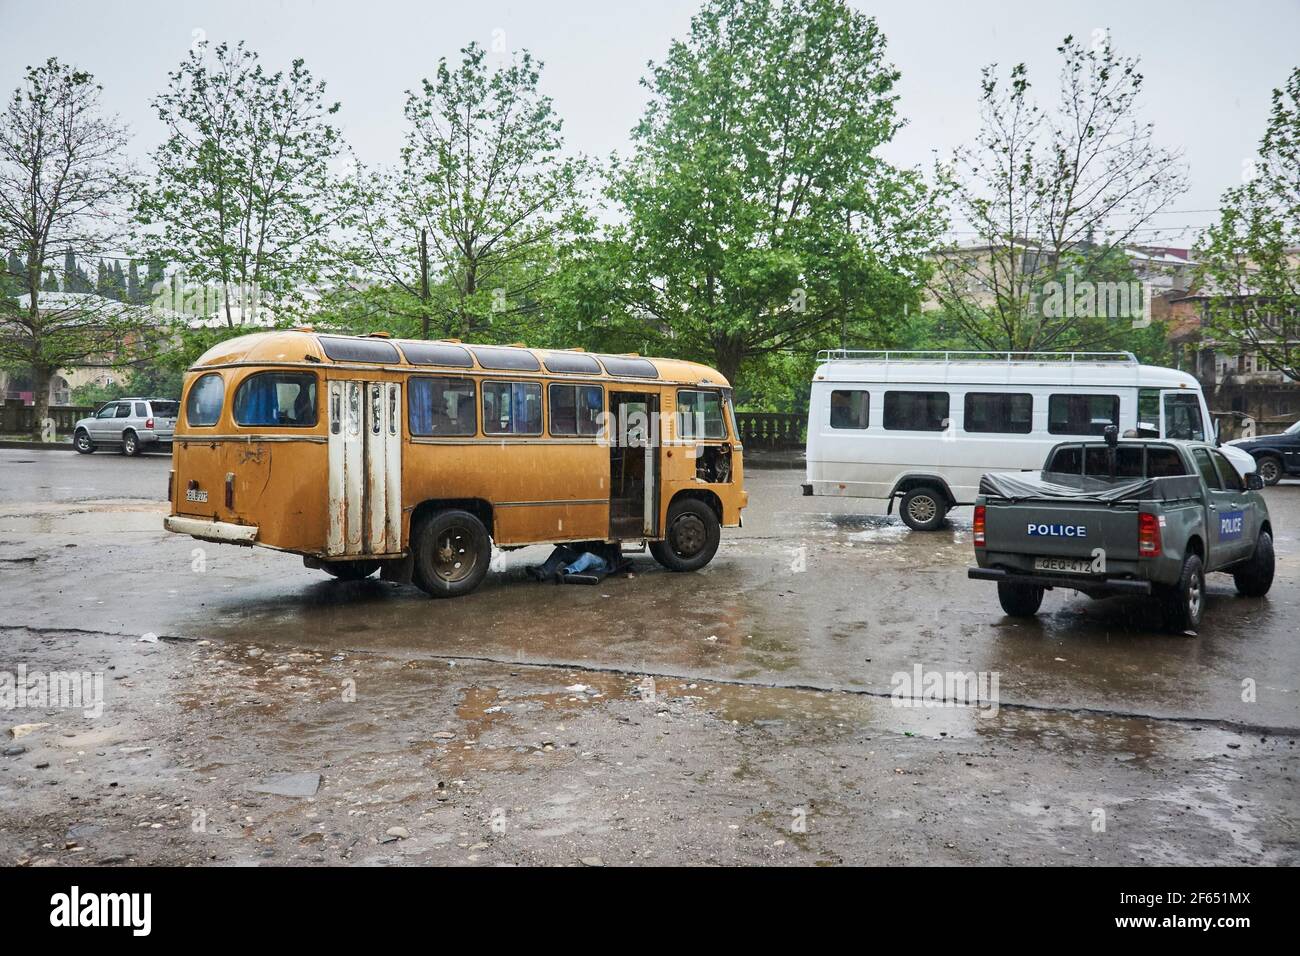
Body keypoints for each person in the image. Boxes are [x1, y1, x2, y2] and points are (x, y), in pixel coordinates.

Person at [528, 541, 625, 583]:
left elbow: (614, 552)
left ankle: (565, 572)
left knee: (587, 556)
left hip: (602, 561)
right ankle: (543, 572)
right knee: (561, 550)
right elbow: (576, 547)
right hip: (584, 557)